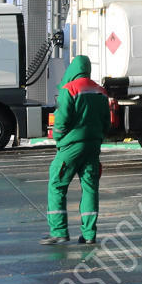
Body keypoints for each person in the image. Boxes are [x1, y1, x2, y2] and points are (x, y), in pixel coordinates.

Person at [42, 55, 109, 245]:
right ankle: (89, 235)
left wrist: (59, 139)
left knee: (57, 185)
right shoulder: (101, 92)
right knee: (90, 188)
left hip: (71, 147)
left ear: (72, 69)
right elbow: (106, 122)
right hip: (93, 147)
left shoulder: (69, 90)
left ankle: (59, 231)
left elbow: (61, 121)